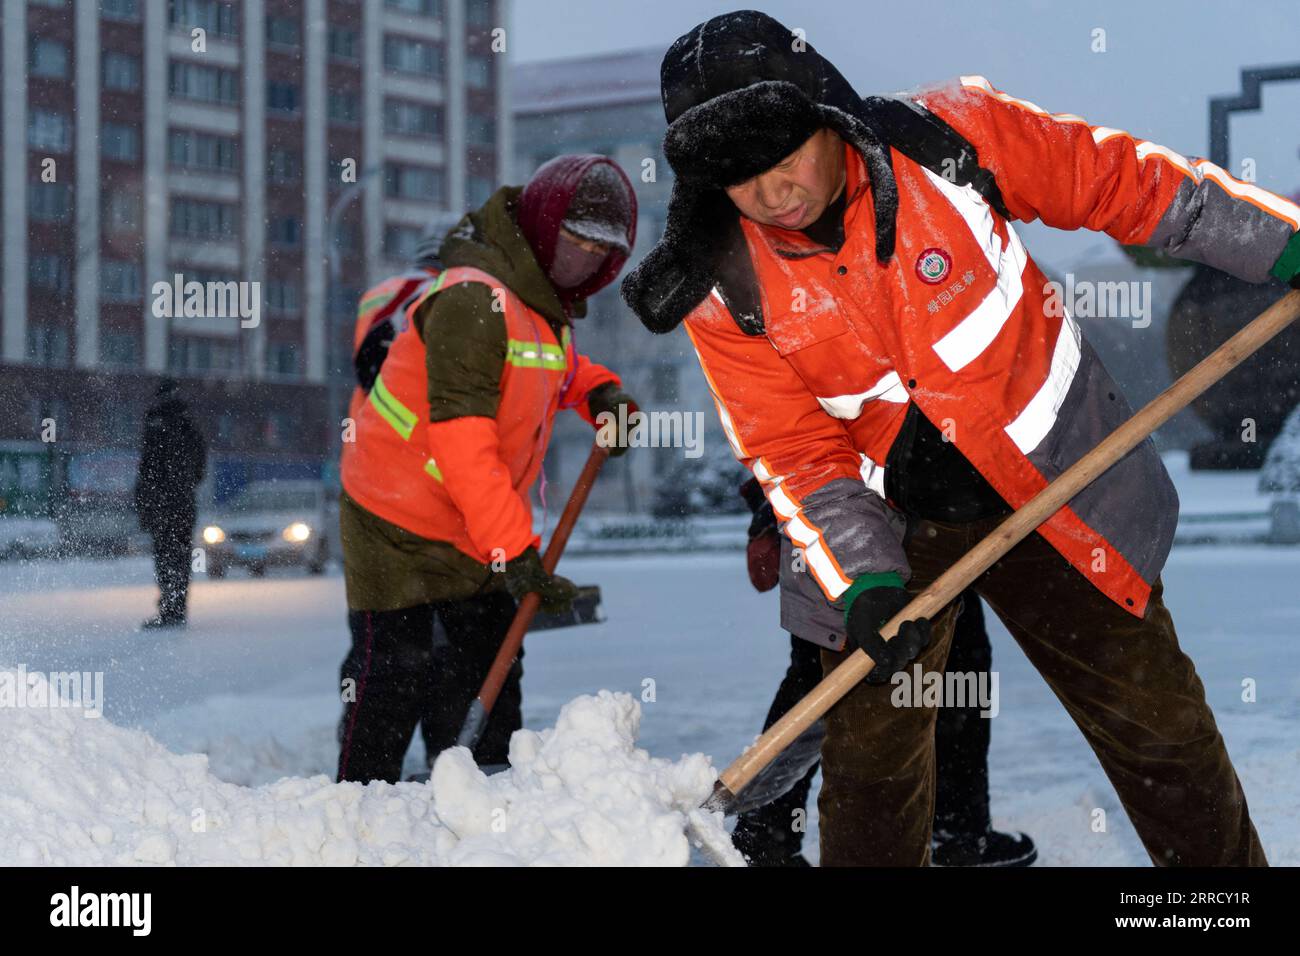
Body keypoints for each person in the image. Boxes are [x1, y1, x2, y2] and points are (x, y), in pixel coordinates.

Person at [623, 10, 1300, 865]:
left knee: (1159, 729)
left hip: (1058, 485)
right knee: (872, 774)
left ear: (826, 114)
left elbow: (1122, 182)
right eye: (741, 179)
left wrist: (1278, 242)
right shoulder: (724, 288)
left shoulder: (950, 139)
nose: (772, 193)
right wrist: (862, 580)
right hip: (890, 532)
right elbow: (792, 452)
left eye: (785, 155)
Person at [336, 155, 640, 784]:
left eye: (598, 252)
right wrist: (515, 551)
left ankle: (481, 817)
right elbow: (464, 442)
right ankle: (358, 825)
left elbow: (547, 368)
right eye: (574, 243)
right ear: (542, 225)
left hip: (473, 519)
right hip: (397, 519)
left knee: (486, 683)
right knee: (391, 680)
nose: (582, 261)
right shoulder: (475, 300)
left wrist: (600, 393)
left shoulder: (536, 303)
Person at [730, 478, 1035, 867]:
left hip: (898, 516)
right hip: (864, 522)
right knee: (832, 679)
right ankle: (766, 837)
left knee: (949, 674)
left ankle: (765, 838)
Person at [133, 378, 208, 630]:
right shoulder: (188, 424)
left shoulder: (156, 422)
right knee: (179, 556)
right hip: (180, 503)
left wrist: (146, 501)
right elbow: (199, 466)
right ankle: (176, 607)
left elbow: (147, 467)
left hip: (162, 503)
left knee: (166, 557)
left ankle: (170, 608)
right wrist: (185, 485)